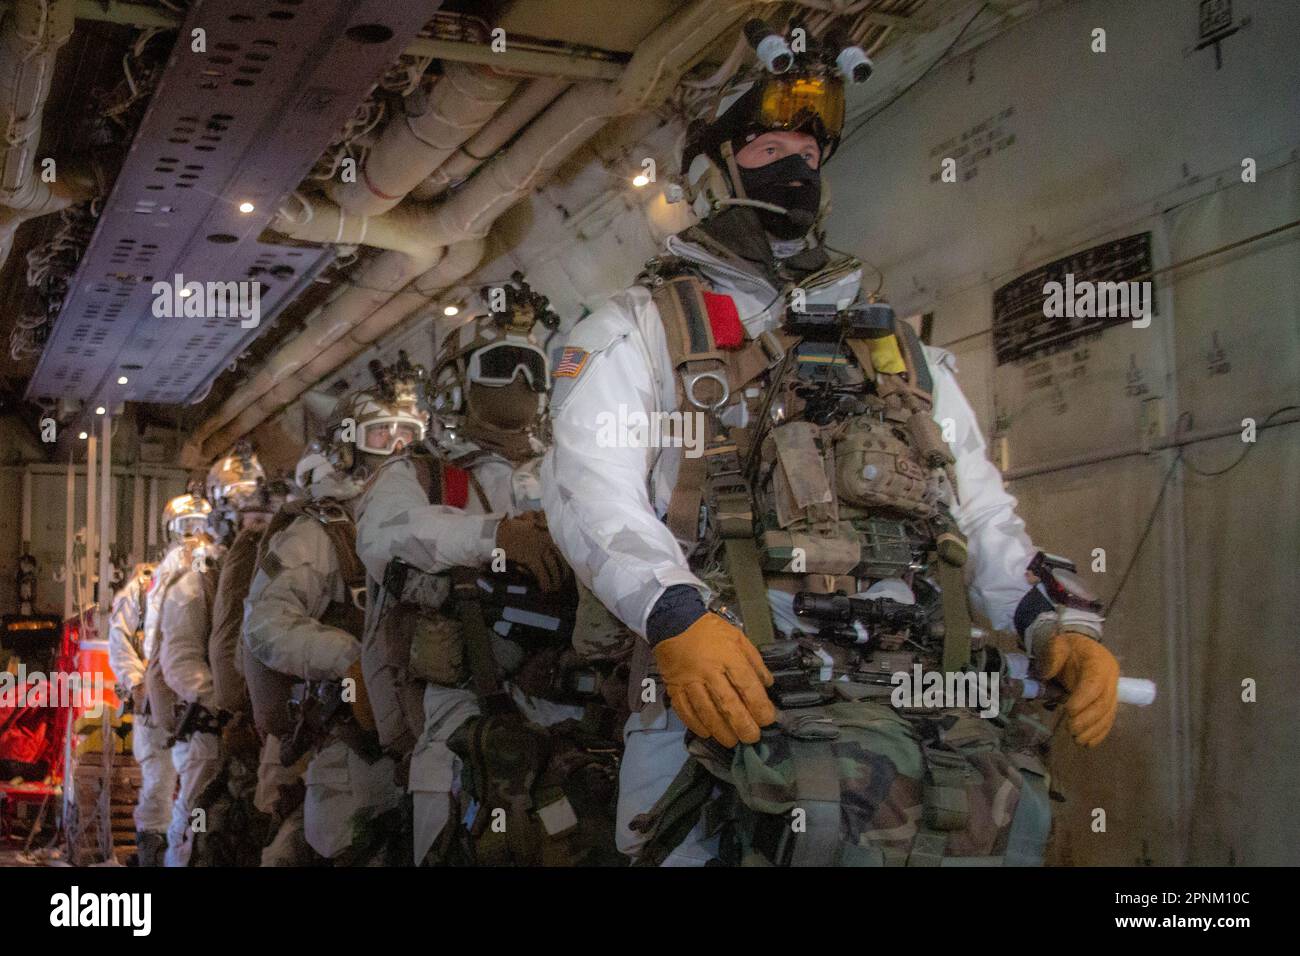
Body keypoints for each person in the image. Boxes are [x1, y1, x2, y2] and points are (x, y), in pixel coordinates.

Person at [541, 26, 1121, 866]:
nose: (794, 167)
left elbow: (979, 511)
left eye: (809, 151)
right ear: (713, 174)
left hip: (926, 722)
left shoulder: (903, 353)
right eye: (768, 145)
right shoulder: (637, 330)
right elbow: (588, 487)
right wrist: (673, 612)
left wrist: (1046, 620)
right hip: (727, 703)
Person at [356, 292, 629, 866]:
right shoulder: (423, 475)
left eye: (535, 368)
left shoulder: (570, 470)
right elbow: (384, 537)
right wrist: (494, 537)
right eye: (504, 365)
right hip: (465, 727)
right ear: (458, 386)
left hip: (577, 723)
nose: (524, 381)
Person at [243, 363, 425, 865]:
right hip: (353, 754)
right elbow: (265, 623)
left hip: (425, 739)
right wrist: (349, 659)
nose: (398, 448)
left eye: (408, 434)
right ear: (348, 446)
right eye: (382, 434)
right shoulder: (321, 532)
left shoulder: (429, 522)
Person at [187, 445, 290, 866]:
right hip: (243, 714)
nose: (255, 525)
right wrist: (229, 704)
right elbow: (222, 636)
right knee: (234, 815)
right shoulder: (232, 561)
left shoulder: (245, 558)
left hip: (252, 711)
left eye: (262, 518)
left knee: (241, 816)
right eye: (249, 517)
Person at [144, 491, 222, 867]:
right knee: (193, 815)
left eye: (199, 524)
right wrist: (216, 704)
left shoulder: (222, 564)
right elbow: (175, 655)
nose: (194, 533)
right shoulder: (186, 571)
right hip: (198, 716)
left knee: (211, 820)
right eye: (185, 526)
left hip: (199, 711)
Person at [105, 561, 163, 865]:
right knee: (157, 783)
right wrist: (138, 684)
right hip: (155, 702)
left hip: (195, 701)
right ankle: (151, 852)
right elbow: (120, 641)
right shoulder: (142, 588)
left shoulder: (208, 574)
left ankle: (190, 845)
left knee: (196, 790)